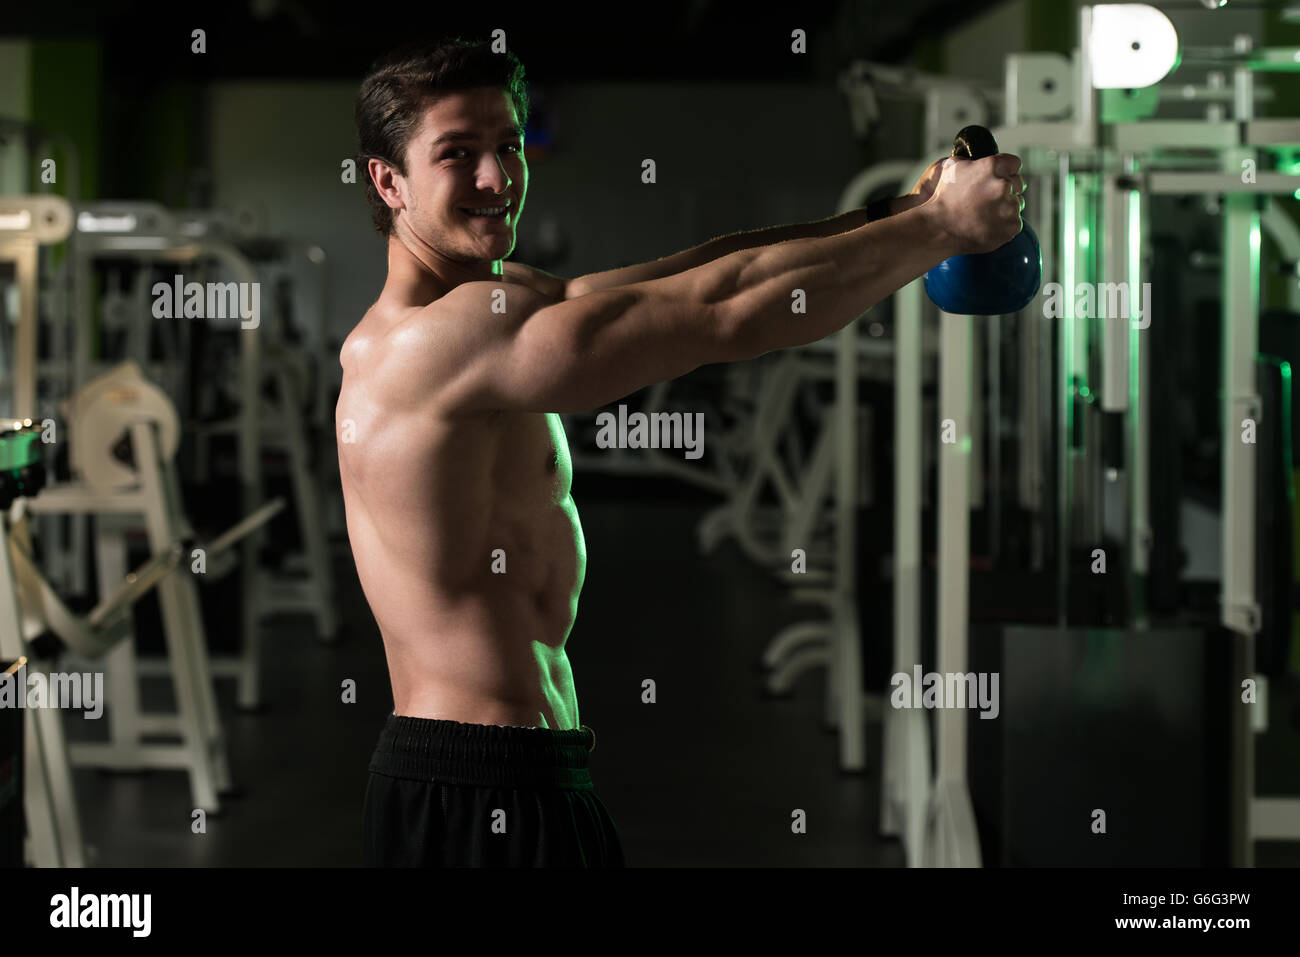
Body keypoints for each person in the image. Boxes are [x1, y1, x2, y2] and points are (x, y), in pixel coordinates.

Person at [342, 37, 1024, 868]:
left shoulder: (489, 304)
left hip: (511, 774)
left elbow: (693, 274)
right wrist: (940, 229)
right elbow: (718, 316)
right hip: (481, 794)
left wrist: (890, 220)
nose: (498, 178)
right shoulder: (435, 345)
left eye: (509, 146)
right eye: (458, 154)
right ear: (388, 180)